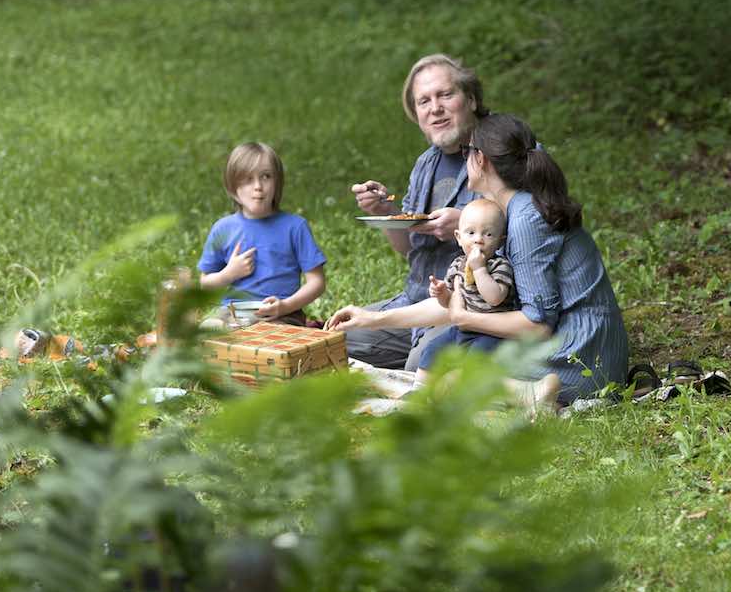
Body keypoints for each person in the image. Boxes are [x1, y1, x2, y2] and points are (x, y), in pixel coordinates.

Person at [326, 113, 629, 408]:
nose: (465, 159)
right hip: (570, 349)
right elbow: (467, 301)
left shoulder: (525, 219)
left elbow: (537, 326)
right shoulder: (505, 213)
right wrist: (373, 320)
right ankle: (516, 391)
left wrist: (464, 319)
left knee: (445, 382)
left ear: (480, 159)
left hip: (580, 361)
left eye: (467, 152)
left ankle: (527, 393)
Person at [346, 53, 484, 369]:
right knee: (334, 341)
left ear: (471, 99)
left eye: (445, 95)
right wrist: (385, 210)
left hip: (469, 305)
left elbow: (523, 230)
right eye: (424, 101)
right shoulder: (425, 163)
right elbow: (407, 247)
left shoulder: (499, 150)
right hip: (416, 300)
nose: (435, 108)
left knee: (420, 367)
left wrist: (464, 224)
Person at [198, 142, 326, 325]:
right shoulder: (223, 229)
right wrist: (228, 274)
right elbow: (205, 284)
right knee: (207, 329)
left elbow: (317, 282)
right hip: (232, 315)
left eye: (266, 176)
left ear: (277, 182)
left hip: (282, 315)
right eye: (248, 179)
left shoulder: (295, 227)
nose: (258, 186)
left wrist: (285, 306)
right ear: (233, 187)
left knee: (268, 339)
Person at [418, 197, 516, 364]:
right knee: (432, 350)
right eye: (471, 233)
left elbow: (495, 298)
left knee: (473, 361)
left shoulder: (499, 265)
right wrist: (442, 293)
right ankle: (421, 381)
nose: (478, 239)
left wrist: (479, 269)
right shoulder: (458, 264)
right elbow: (450, 302)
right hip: (462, 330)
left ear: (500, 241)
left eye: (488, 234)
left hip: (492, 334)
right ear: (458, 237)